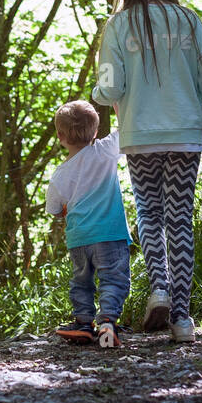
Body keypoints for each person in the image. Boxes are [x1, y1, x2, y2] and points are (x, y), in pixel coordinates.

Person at [92, 0, 202, 344]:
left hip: (140, 137)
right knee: (179, 218)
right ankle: (183, 320)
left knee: (150, 214)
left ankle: (159, 287)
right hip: (185, 136)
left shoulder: (118, 26)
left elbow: (110, 87)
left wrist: (97, 93)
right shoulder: (190, 21)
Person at [45, 99, 131, 349]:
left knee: (81, 281)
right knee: (113, 279)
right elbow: (126, 131)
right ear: (95, 131)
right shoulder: (105, 150)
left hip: (79, 237)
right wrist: (119, 106)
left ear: (60, 136)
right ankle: (107, 321)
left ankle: (83, 323)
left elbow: (55, 210)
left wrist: (65, 209)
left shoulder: (60, 174)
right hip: (110, 235)